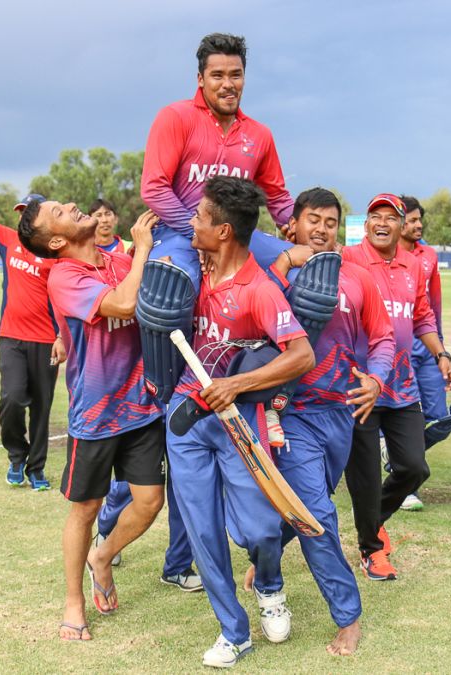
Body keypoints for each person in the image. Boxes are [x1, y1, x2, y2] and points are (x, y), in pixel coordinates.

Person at [164, 176, 314, 668]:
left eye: (201, 217)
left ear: (224, 230)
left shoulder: (259, 289)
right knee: (204, 533)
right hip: (187, 419)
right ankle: (234, 631)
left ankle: (269, 583)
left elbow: (301, 355)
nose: (192, 222)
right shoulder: (192, 269)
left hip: (236, 420)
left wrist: (235, 386)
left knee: (259, 531)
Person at [17, 199, 166, 641]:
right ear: (57, 240)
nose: (74, 206)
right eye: (61, 211)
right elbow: (122, 305)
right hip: (96, 414)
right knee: (86, 509)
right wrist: (142, 250)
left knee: (150, 501)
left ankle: (103, 556)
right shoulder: (64, 276)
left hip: (142, 406)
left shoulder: (118, 260)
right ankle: (73, 602)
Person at [261, 187, 394, 656]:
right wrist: (281, 266)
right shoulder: (274, 273)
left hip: (340, 415)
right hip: (288, 413)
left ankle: (264, 561)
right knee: (318, 516)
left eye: (330, 222)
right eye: (312, 219)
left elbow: (382, 338)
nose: (321, 228)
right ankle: (348, 616)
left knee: (296, 506)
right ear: (291, 225)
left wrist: (376, 379)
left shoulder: (357, 278)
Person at [137, 32, 295, 404]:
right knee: (169, 286)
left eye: (236, 74)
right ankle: (162, 392)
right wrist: (200, 235)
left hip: (240, 237)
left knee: (311, 275)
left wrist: (304, 234)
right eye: (218, 75)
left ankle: (276, 394)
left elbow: (277, 197)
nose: (228, 84)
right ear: (200, 79)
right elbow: (155, 189)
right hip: (180, 232)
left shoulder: (259, 134)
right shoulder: (175, 117)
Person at [341, 193, 451, 581]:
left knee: (413, 467)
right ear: (365, 223)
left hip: (403, 385)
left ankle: (372, 522)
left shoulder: (413, 265)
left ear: (401, 225)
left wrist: (442, 356)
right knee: (365, 476)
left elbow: (422, 315)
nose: (382, 223)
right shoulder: (349, 259)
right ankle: (372, 549)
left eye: (391, 217)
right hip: (361, 385)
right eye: (375, 215)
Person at [0, 150, 66, 491]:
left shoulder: (56, 253)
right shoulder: (9, 240)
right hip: (11, 336)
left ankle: (36, 469)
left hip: (46, 341)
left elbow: (65, 301)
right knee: (11, 399)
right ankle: (16, 456)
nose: (23, 219)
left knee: (42, 407)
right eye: (21, 213)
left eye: (29, 214)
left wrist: (62, 336)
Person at [395, 195, 451, 512]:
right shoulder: (383, 255)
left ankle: (394, 458)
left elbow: (433, 307)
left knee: (437, 417)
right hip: (394, 350)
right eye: (411, 220)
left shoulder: (429, 256)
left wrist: (442, 351)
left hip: (427, 349)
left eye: (419, 219)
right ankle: (406, 484)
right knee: (404, 417)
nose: (418, 224)